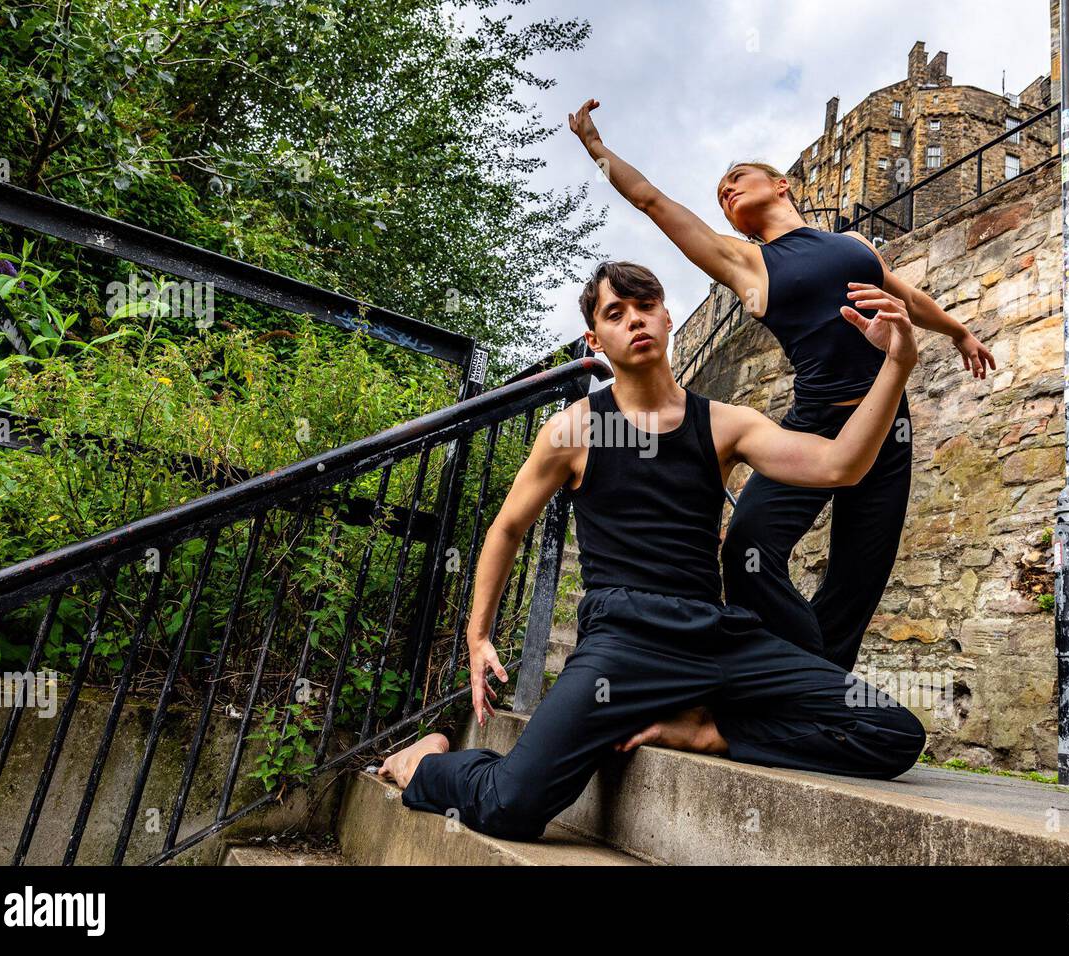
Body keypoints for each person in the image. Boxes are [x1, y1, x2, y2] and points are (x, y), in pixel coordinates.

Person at [376, 260, 925, 841]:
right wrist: (478, 634)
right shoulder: (574, 430)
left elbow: (843, 464)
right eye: (616, 314)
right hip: (624, 642)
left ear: (666, 317)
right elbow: (508, 528)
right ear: (596, 338)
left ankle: (706, 729)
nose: (634, 320)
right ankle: (428, 762)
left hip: (718, 638)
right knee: (513, 805)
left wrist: (896, 363)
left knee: (890, 730)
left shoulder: (725, 424)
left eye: (645, 307)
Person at [567, 98, 996, 672]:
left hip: (886, 426)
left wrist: (960, 332)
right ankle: (800, 672)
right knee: (747, 546)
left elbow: (908, 298)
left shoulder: (854, 245)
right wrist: (597, 150)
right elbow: (652, 201)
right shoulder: (747, 265)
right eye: (720, 193)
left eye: (735, 180)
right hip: (815, 423)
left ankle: (822, 699)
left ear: (782, 184)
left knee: (859, 573)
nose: (726, 191)